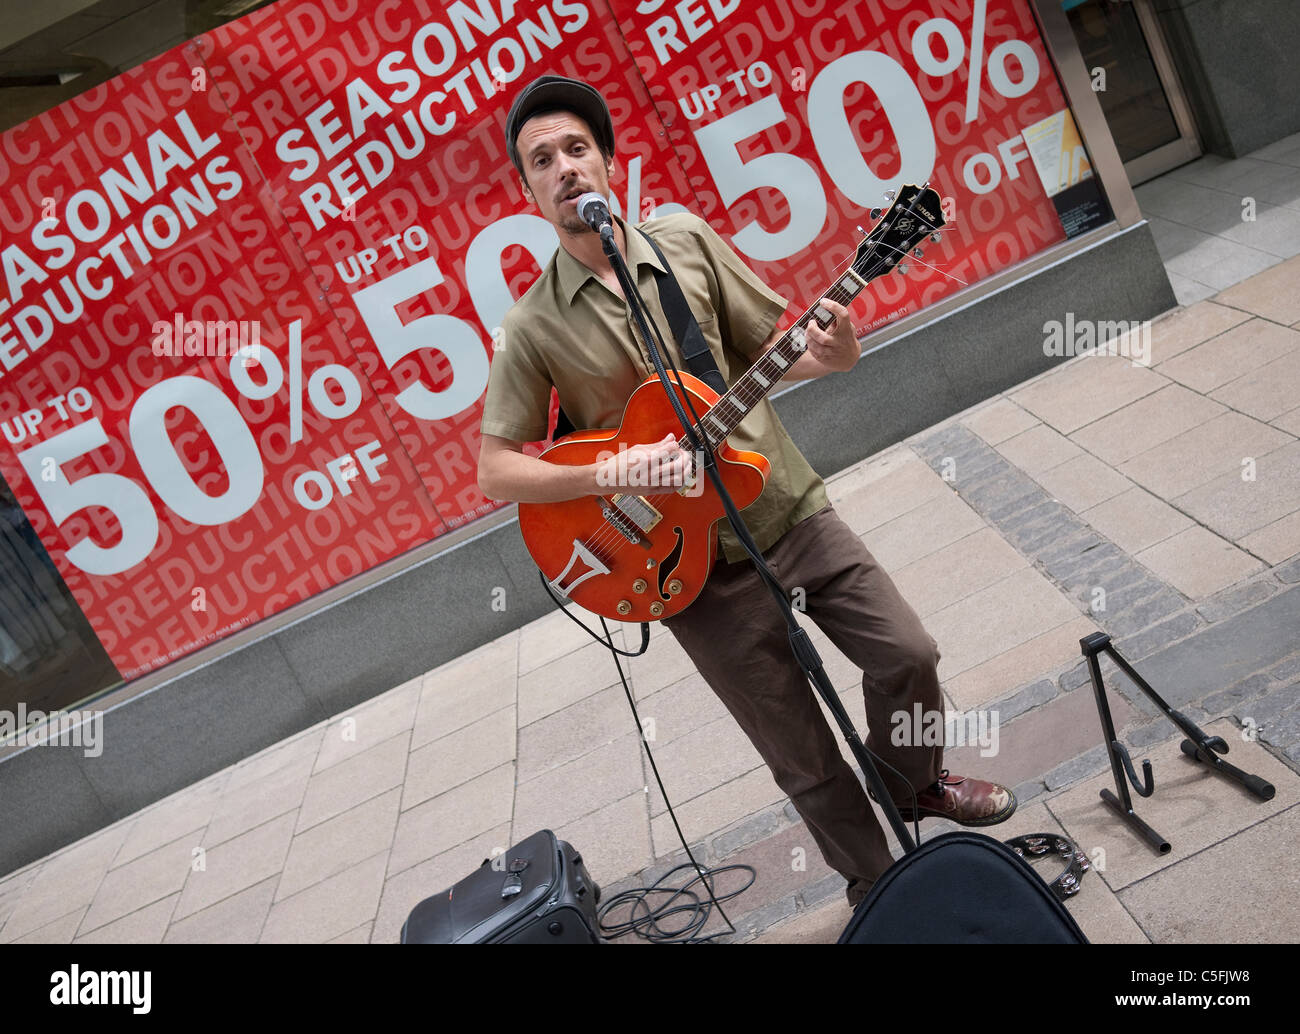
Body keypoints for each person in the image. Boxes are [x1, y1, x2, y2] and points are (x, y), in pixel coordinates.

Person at [477, 75, 1016, 909]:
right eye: (542, 160)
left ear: (611, 162)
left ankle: (911, 783)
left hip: (786, 507)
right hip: (683, 569)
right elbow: (496, 466)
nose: (564, 169)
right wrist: (608, 471)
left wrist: (835, 352)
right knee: (800, 753)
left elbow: (776, 347)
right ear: (527, 190)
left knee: (909, 653)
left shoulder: (685, 241)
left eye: (577, 149)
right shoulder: (534, 322)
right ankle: (881, 893)